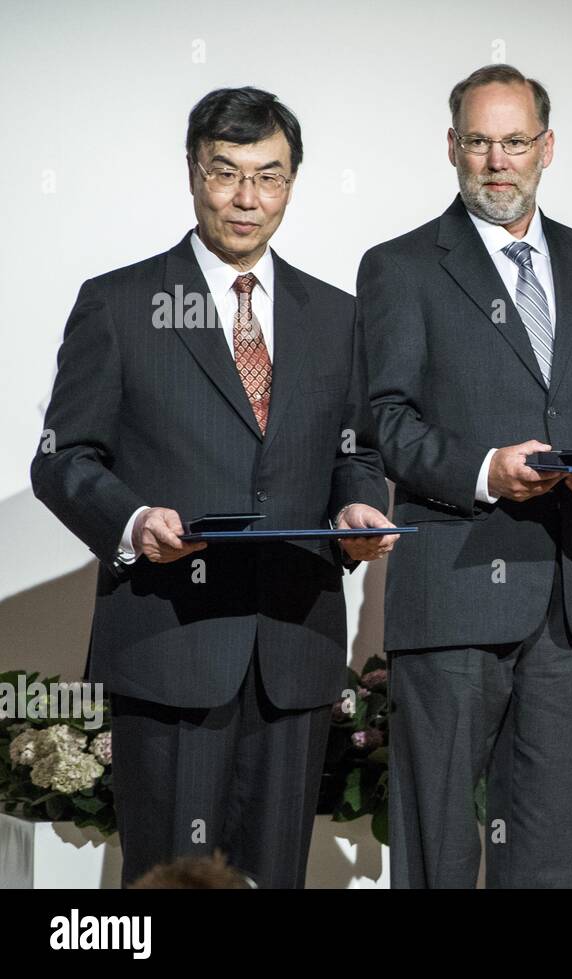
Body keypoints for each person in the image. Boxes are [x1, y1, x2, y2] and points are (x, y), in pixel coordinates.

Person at [30, 87, 396, 888]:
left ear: (293, 183)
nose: (247, 198)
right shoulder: (119, 304)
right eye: (226, 173)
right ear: (192, 171)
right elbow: (62, 458)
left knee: (276, 878)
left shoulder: (337, 316)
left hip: (294, 649)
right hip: (171, 644)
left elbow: (355, 452)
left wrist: (360, 506)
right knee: (171, 881)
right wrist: (130, 520)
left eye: (269, 176)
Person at [358, 64, 572, 888]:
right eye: (480, 142)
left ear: (546, 148)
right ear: (451, 148)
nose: (498, 161)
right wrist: (484, 470)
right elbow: (383, 420)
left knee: (547, 847)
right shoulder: (402, 266)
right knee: (440, 842)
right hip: (452, 593)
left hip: (566, 597)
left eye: (515, 142)